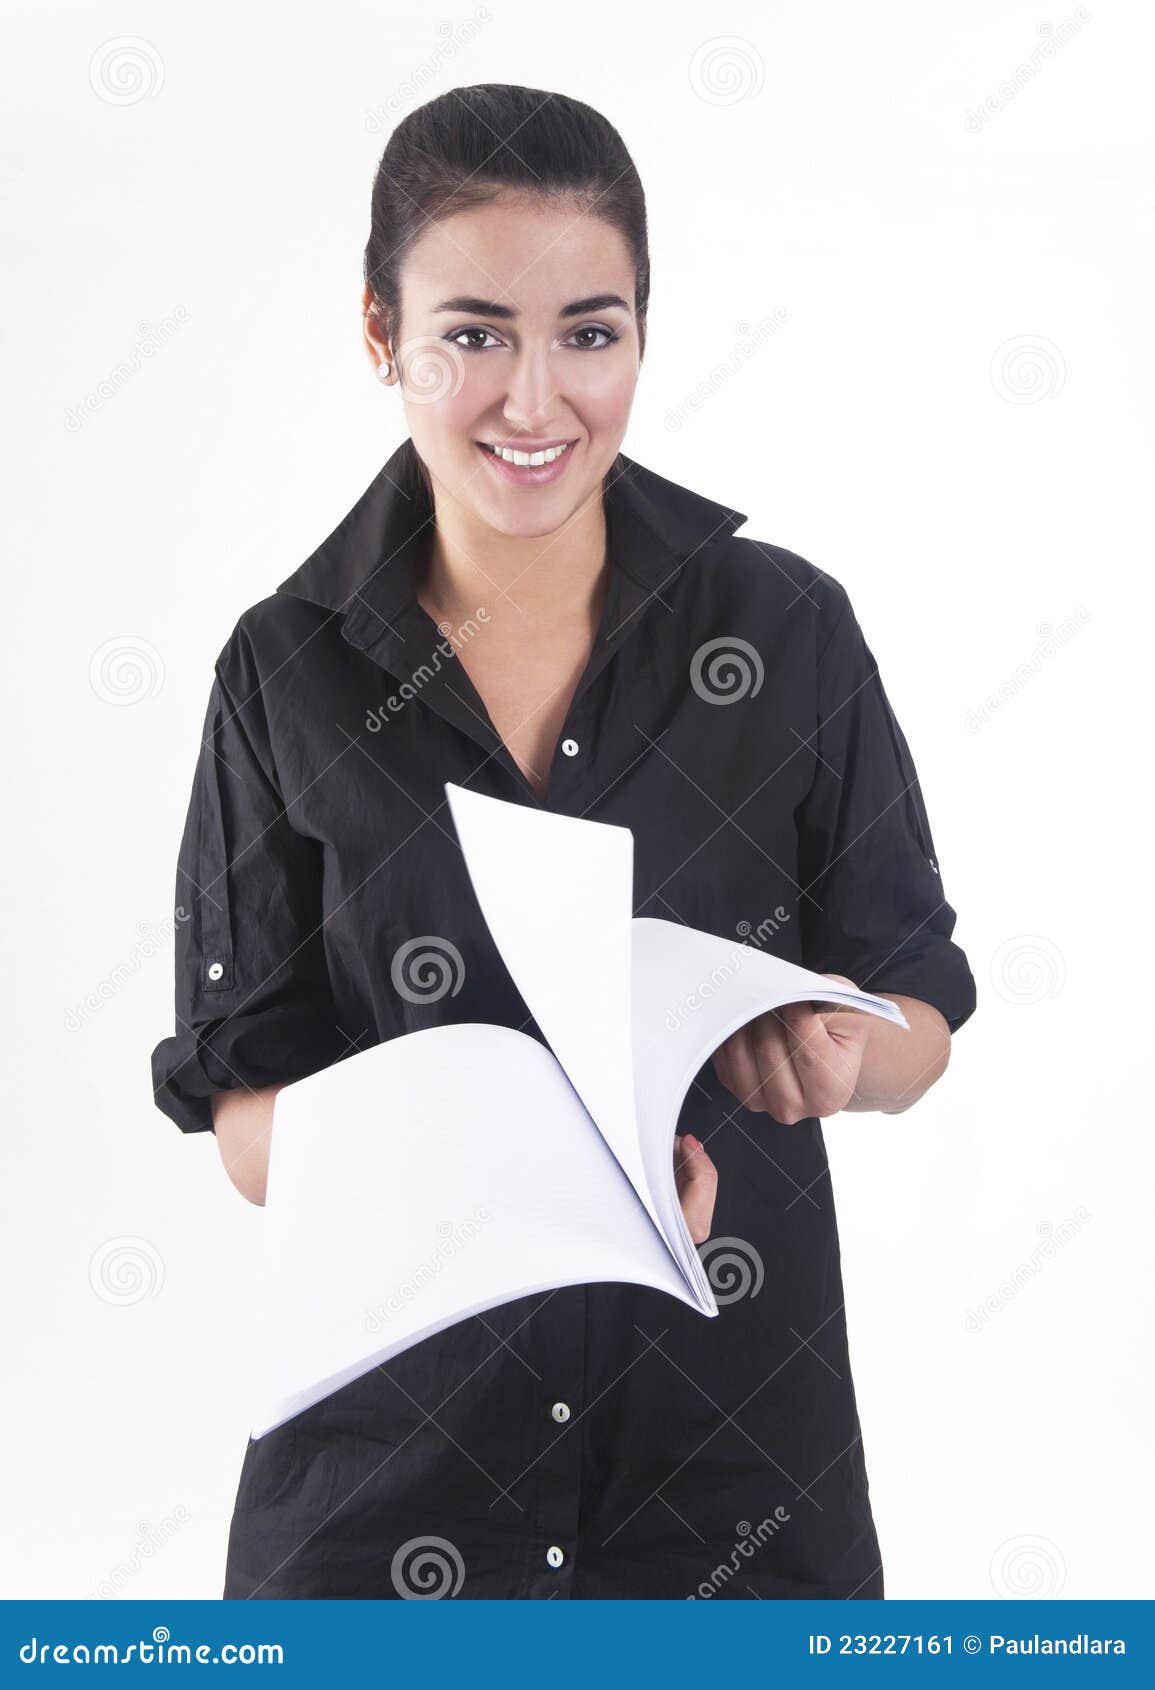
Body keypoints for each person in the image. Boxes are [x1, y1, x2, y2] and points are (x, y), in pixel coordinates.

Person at [150, 83, 976, 1601]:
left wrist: (838, 1048)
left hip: (731, 1492)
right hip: (386, 1502)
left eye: (589, 333)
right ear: (381, 336)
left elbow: (919, 1009)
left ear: (643, 336)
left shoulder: (784, 629)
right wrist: (520, 1150)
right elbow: (251, 1125)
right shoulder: (287, 667)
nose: (535, 401)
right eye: (473, 333)